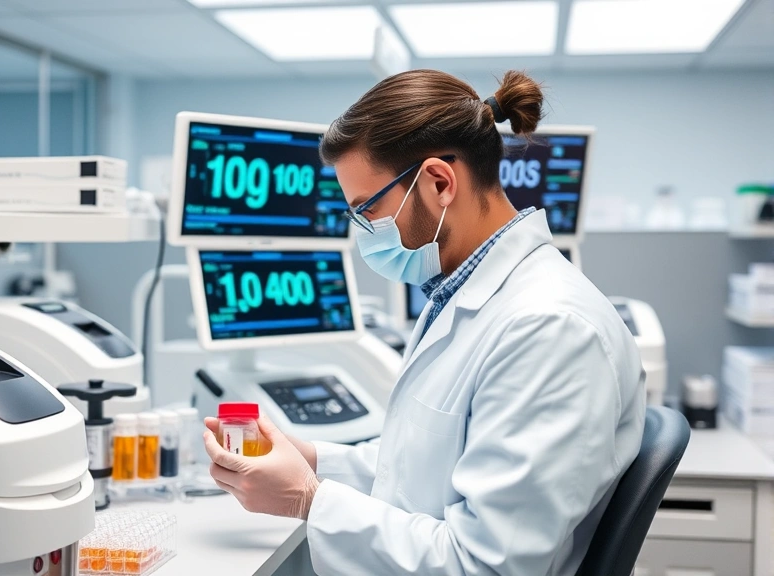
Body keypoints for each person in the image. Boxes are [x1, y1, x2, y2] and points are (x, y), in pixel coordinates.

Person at [202, 68, 646, 576]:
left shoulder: (550, 329)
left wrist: (308, 499)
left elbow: (487, 565)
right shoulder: (459, 292)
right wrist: (312, 460)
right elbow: (422, 468)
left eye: (367, 209)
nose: (364, 231)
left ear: (439, 183)